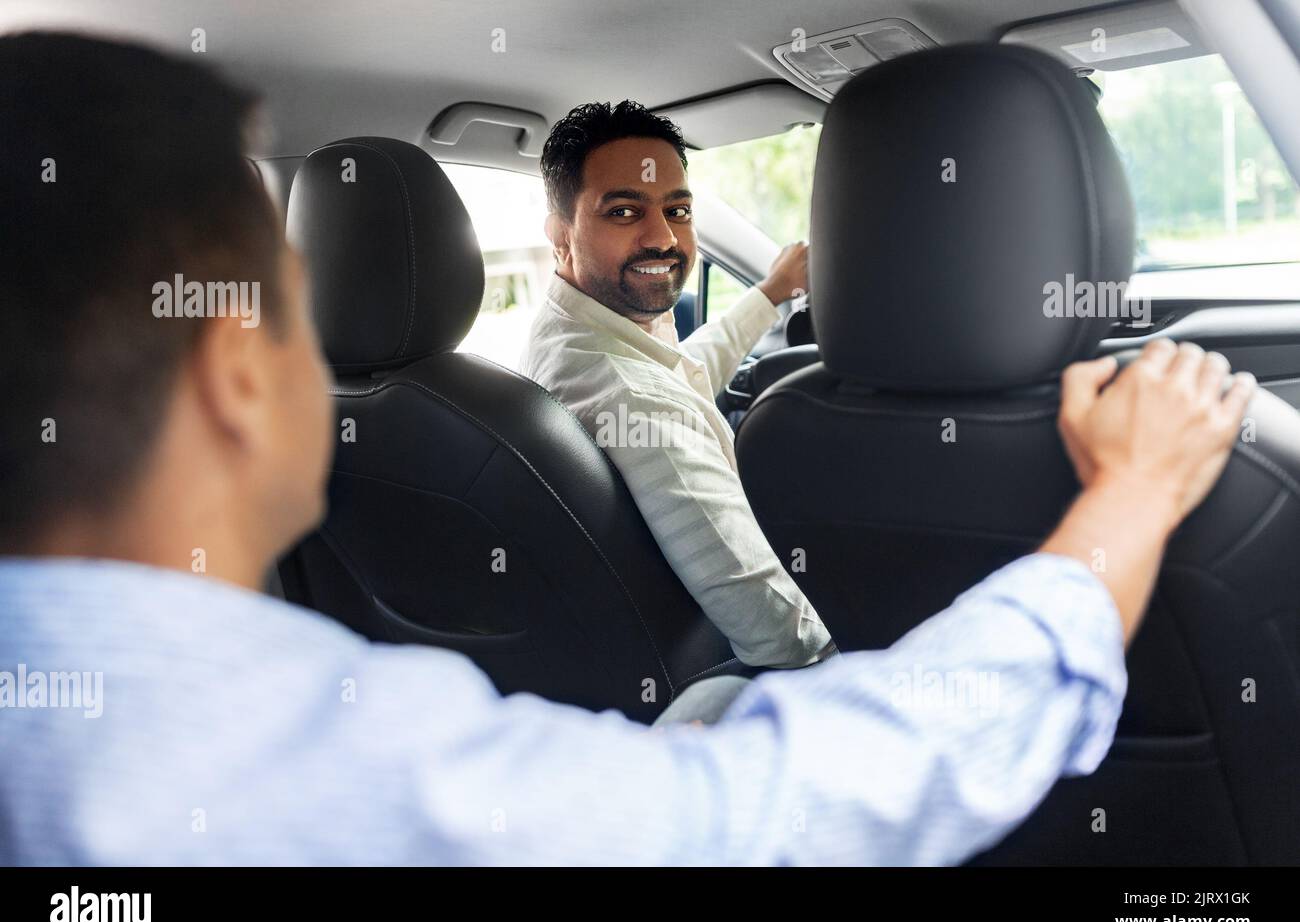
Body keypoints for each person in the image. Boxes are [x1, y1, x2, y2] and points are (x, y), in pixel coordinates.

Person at [0, 32, 1255, 865]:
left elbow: (664, 384)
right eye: (296, 305)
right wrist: (1130, 501)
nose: (324, 340)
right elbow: (773, 810)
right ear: (232, 376)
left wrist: (761, 301)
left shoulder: (549, 370)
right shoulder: (331, 766)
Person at [522, 102, 832, 668]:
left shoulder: (577, 334)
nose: (662, 238)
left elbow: (680, 374)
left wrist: (771, 292)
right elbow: (778, 633)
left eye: (678, 209)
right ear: (560, 235)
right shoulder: (629, 397)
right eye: (622, 211)